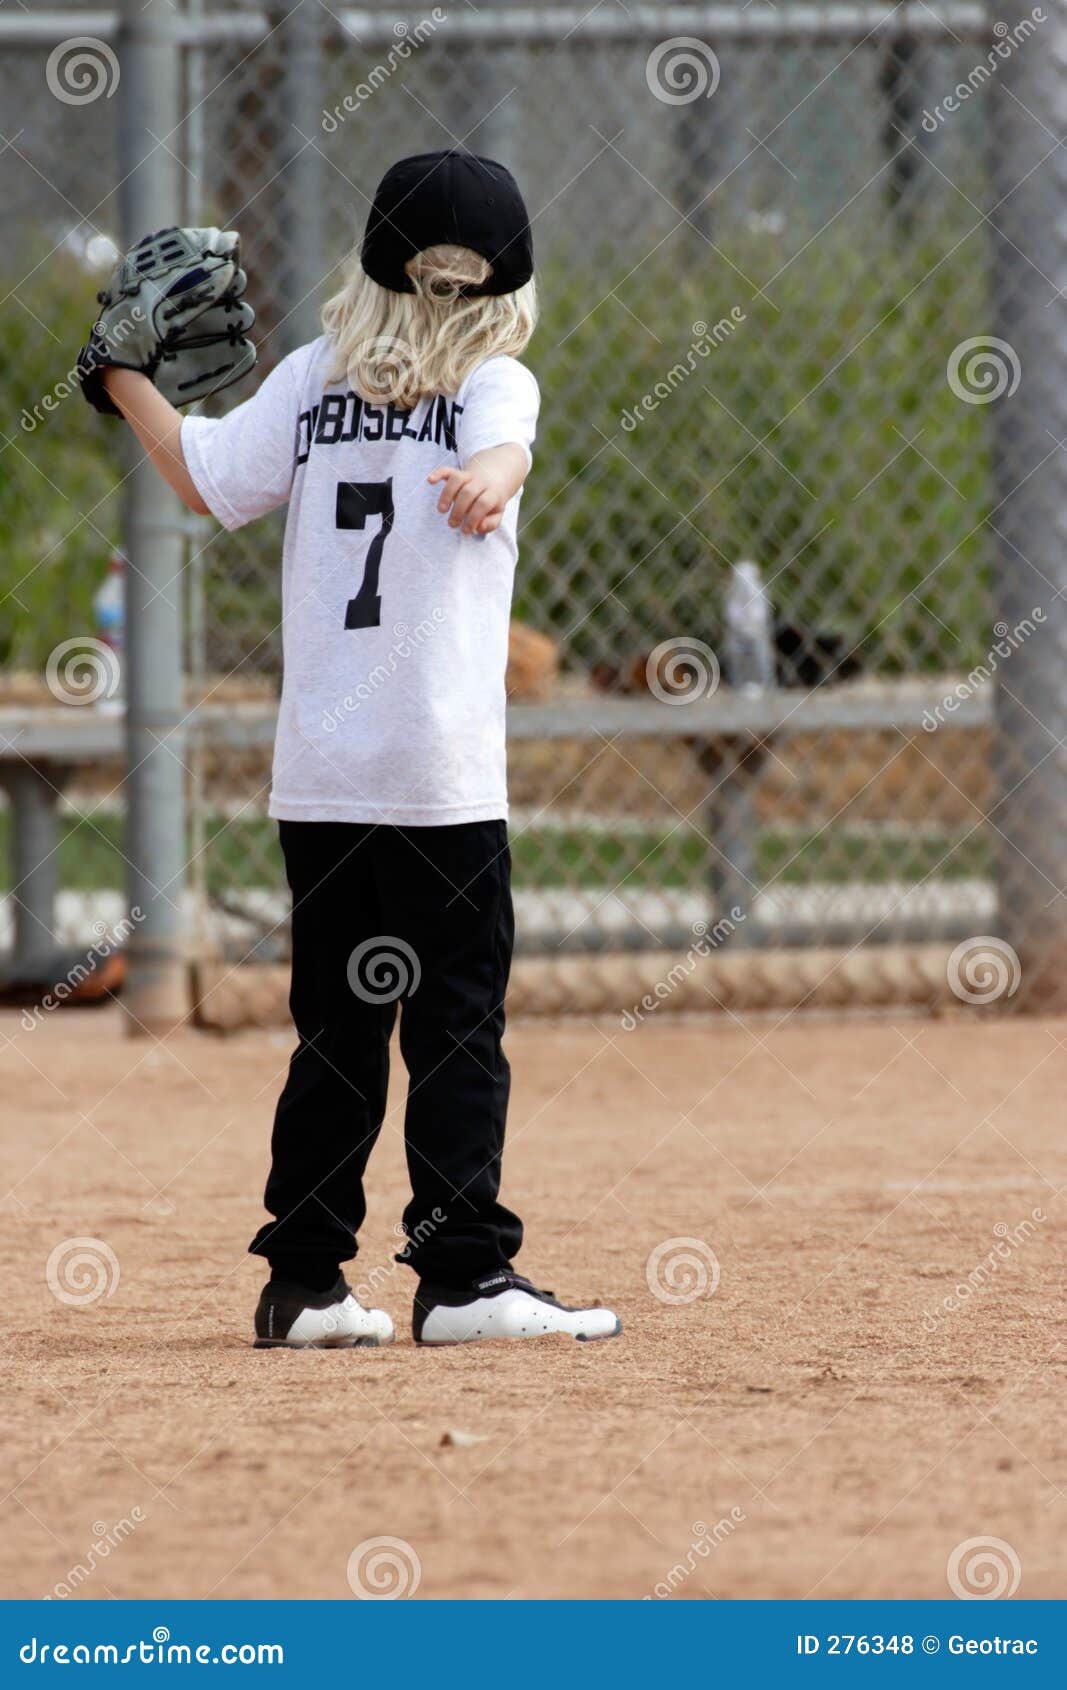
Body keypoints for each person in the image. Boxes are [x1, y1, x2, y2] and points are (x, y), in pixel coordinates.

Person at [96, 150, 621, 1349]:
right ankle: (466, 1280)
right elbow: (503, 445)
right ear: (505, 290)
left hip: (322, 782)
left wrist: (125, 376)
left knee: (336, 1030)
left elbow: (202, 479)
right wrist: (488, 478)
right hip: (436, 782)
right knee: (453, 1023)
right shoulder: (497, 374)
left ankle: (304, 1283)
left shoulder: (308, 379)